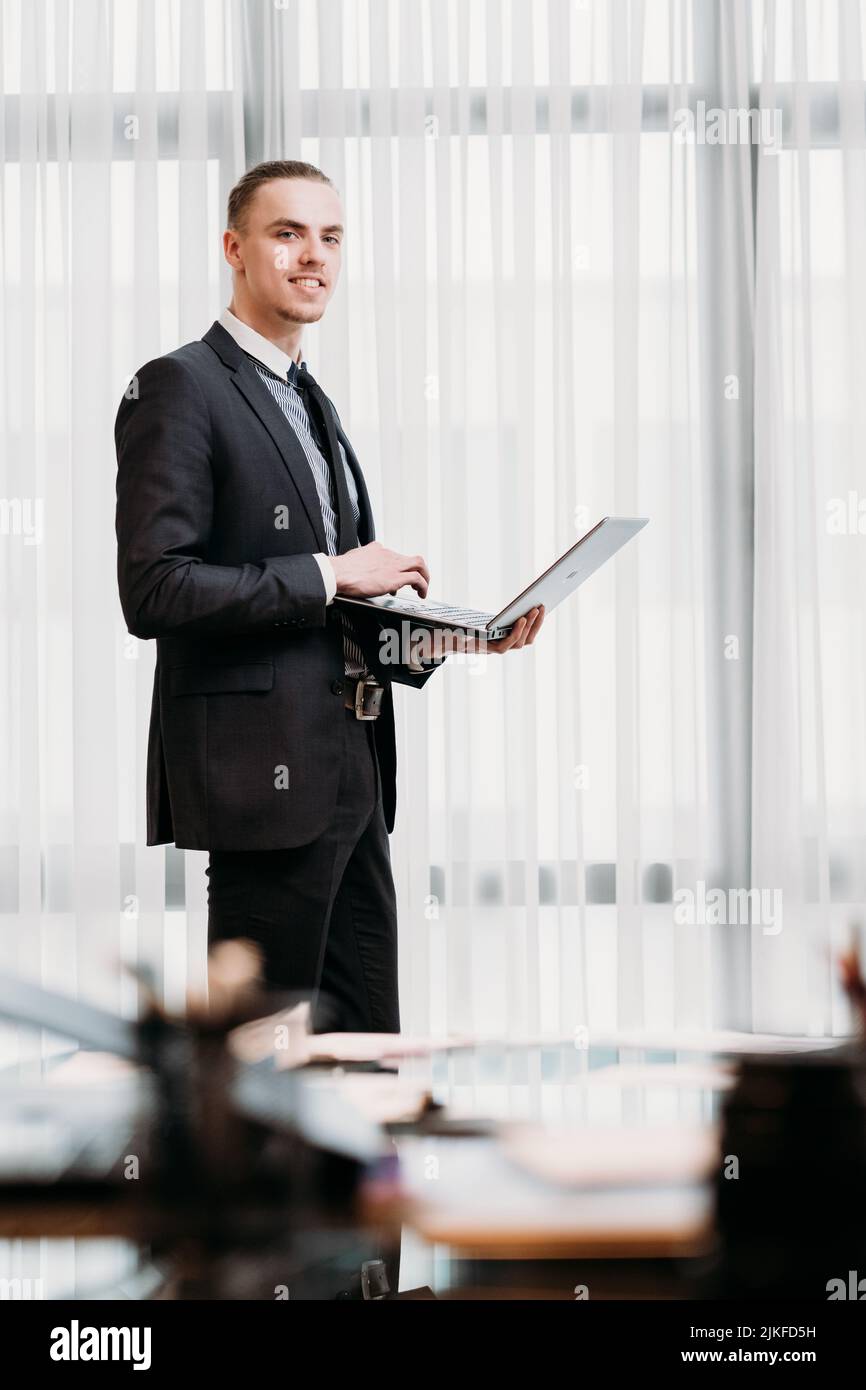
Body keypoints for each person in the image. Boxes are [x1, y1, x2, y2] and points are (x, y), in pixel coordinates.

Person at [115, 159, 544, 1033]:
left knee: (367, 1052)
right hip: (260, 786)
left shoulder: (311, 401)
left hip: (353, 768)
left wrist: (459, 637)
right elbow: (155, 589)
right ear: (234, 249)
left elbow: (337, 615)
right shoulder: (181, 386)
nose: (315, 256)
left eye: (331, 236)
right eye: (288, 233)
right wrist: (328, 569)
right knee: (258, 1070)